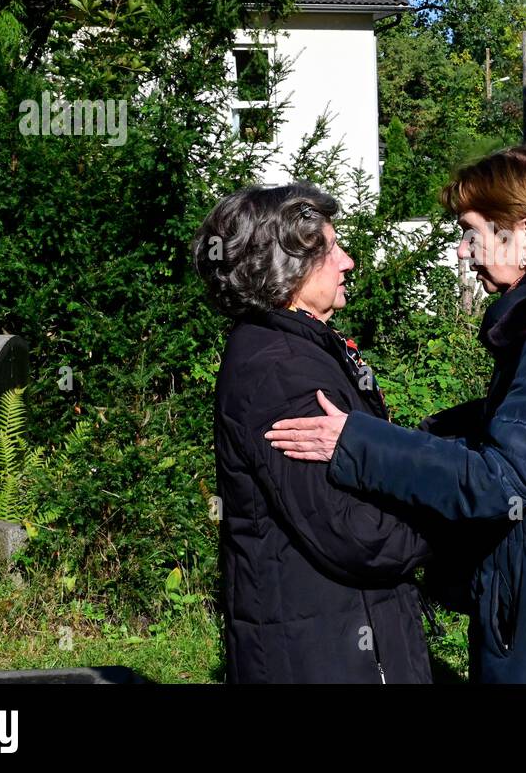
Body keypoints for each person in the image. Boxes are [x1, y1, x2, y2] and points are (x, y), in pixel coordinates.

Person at [267, 147, 526, 683]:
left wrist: (357, 444)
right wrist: (443, 432)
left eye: (472, 232)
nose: (463, 251)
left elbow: (499, 480)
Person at [192, 184, 435, 683]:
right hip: (324, 652)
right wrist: (445, 517)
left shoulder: (295, 349)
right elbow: (354, 532)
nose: (347, 262)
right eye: (331, 249)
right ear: (288, 270)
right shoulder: (281, 374)